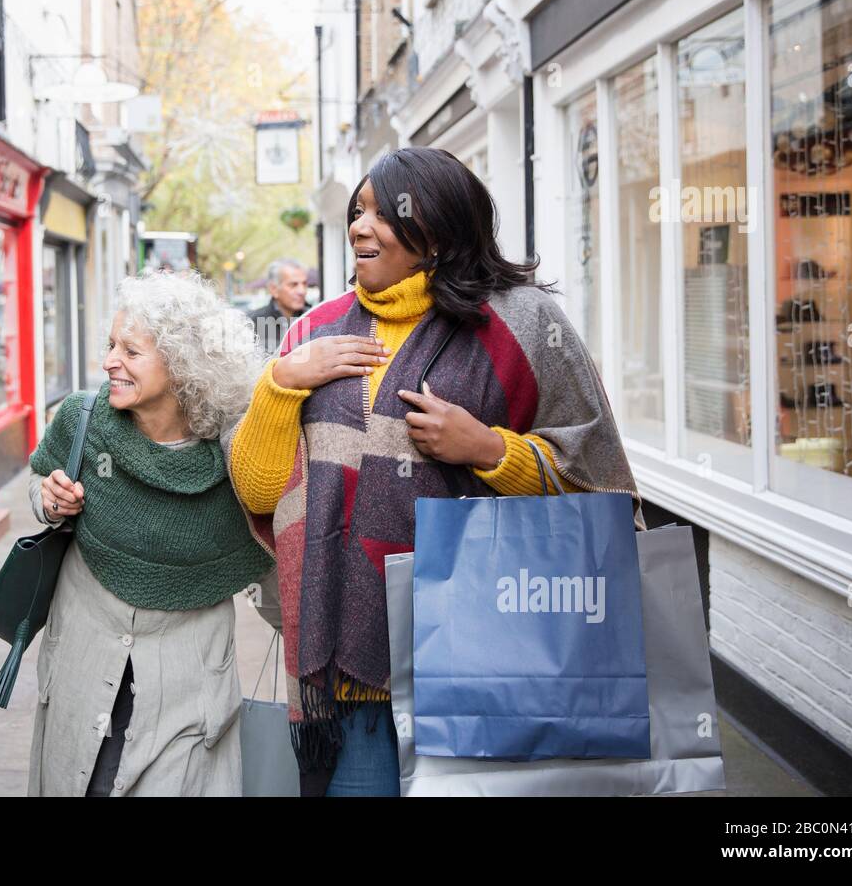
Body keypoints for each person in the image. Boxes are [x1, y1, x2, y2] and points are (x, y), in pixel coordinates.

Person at [222, 146, 642, 797]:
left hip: (493, 658)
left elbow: (597, 477)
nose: (360, 226)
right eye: (356, 211)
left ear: (439, 229)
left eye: (383, 212)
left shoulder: (523, 325)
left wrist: (489, 450)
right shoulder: (314, 330)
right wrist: (279, 385)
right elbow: (257, 491)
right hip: (348, 671)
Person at [26, 269, 274, 797]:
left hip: (188, 687)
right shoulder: (82, 420)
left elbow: (269, 556)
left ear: (184, 365)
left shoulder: (237, 453)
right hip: (82, 663)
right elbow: (39, 486)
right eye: (110, 345)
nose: (109, 361)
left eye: (130, 351)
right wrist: (48, 500)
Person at [248, 258, 310, 356]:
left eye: (305, 284)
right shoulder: (252, 323)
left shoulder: (316, 318)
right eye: (293, 285)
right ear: (273, 289)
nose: (302, 291)